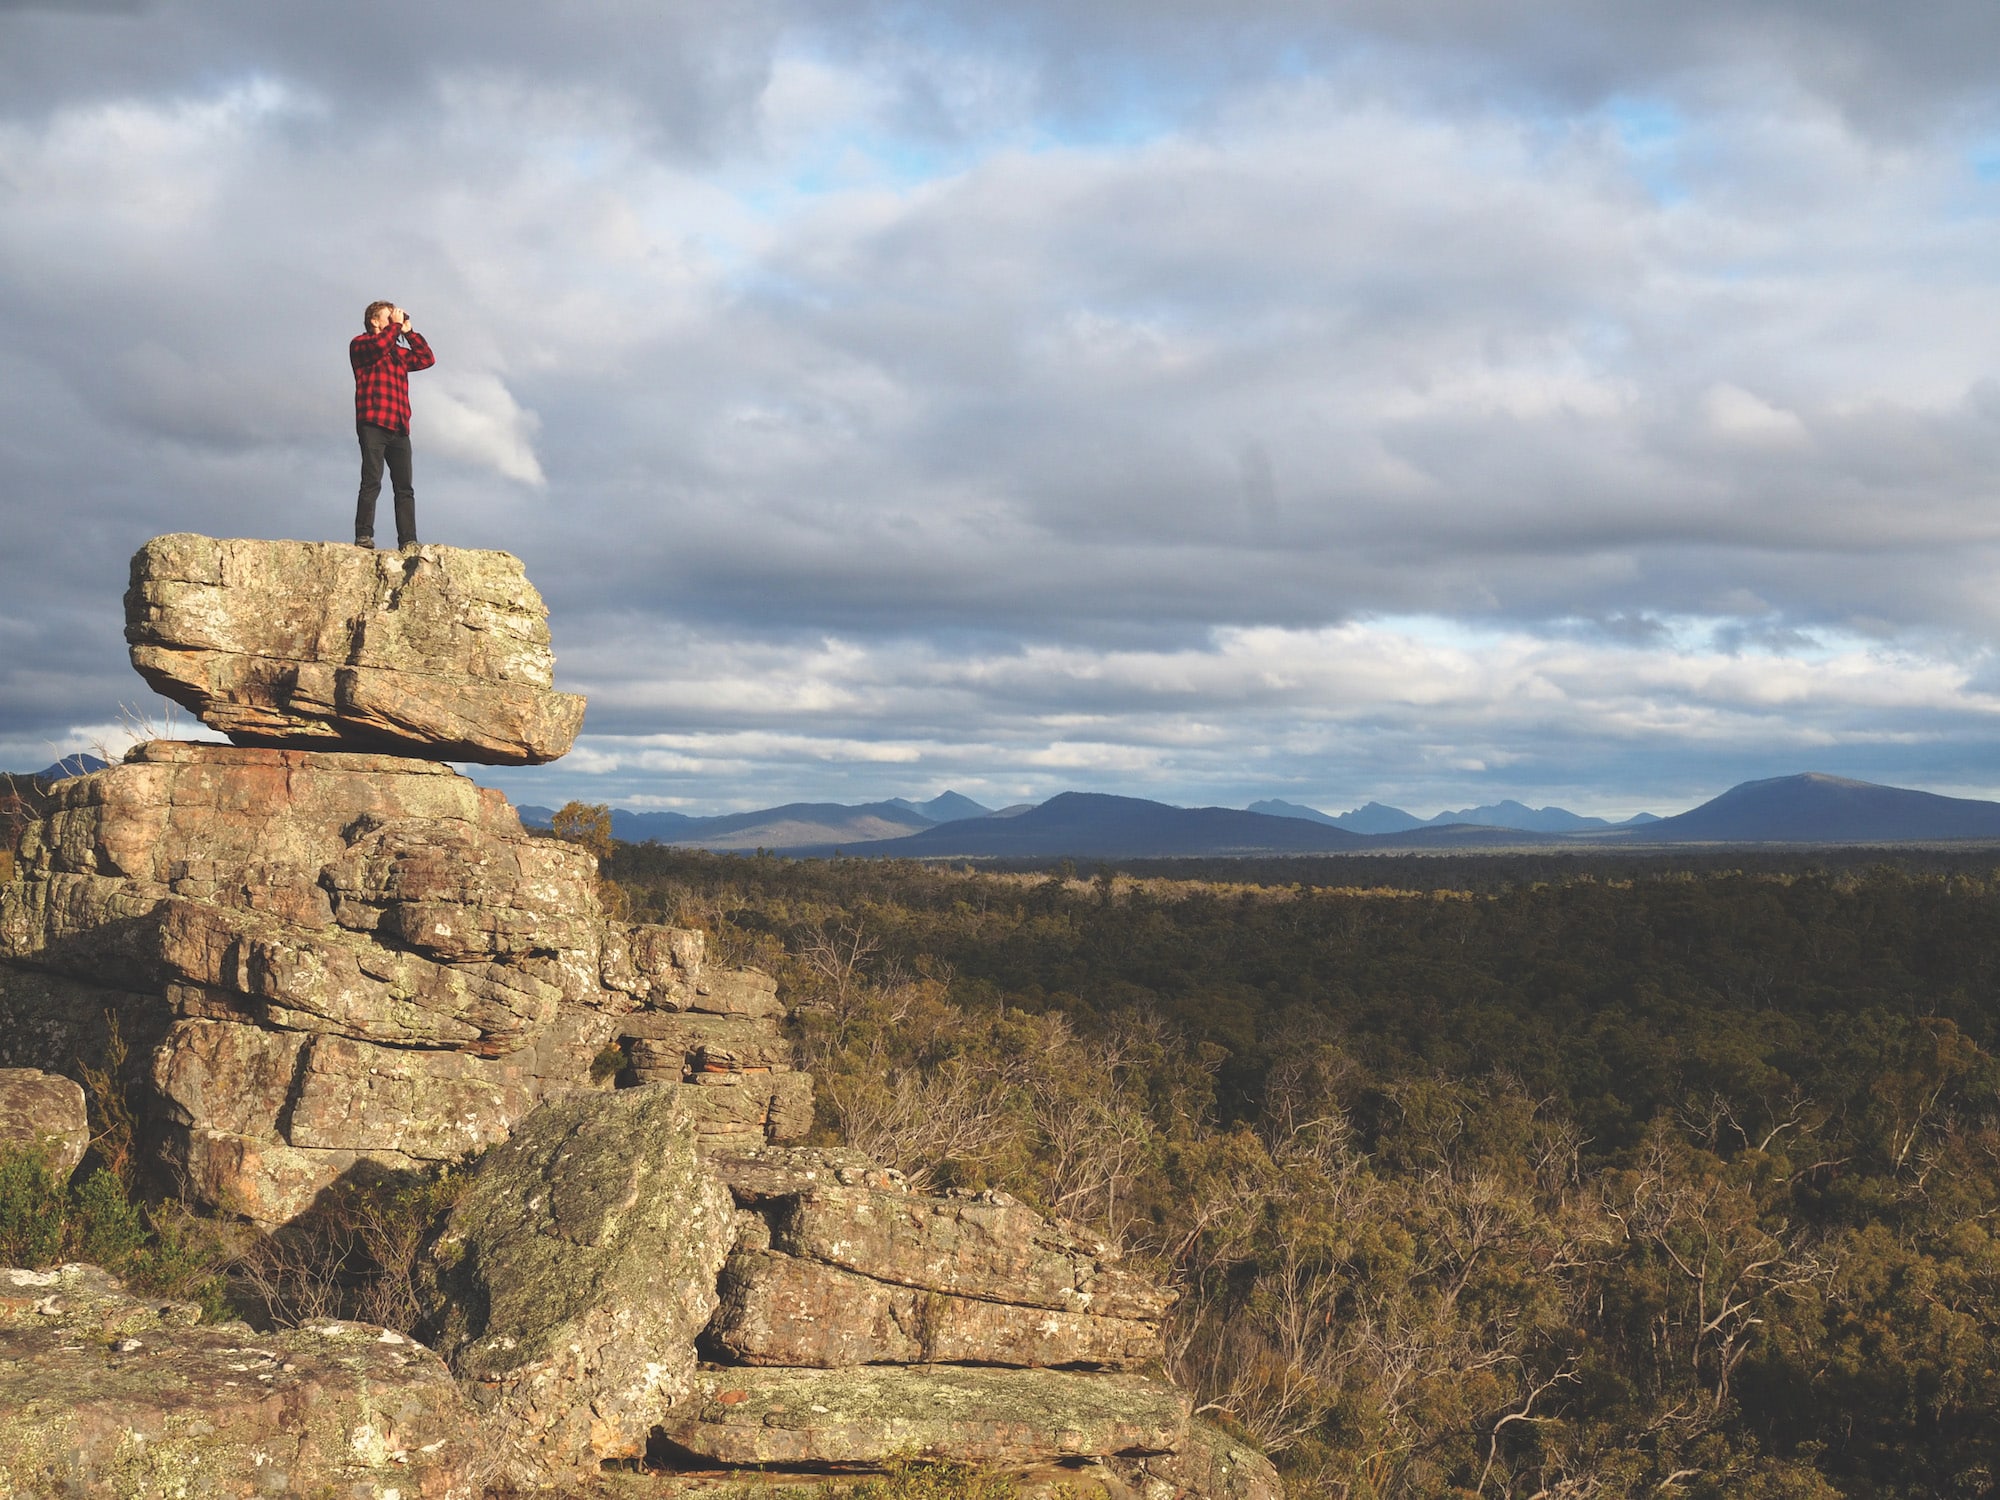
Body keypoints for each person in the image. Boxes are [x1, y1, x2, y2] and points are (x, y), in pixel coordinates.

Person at [350, 300, 435, 550]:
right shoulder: (361, 344)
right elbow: (379, 345)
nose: (394, 320)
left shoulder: (397, 353)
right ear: (375, 321)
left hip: (398, 424)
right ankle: (363, 535)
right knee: (371, 480)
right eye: (389, 317)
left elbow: (426, 359)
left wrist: (408, 332)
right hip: (373, 420)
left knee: (404, 488)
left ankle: (408, 540)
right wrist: (395, 328)